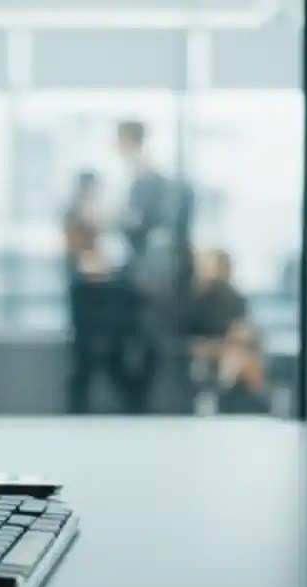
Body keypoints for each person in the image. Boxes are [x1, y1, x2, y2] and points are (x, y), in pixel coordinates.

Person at [115, 120, 195, 413]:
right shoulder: (158, 183)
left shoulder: (148, 184)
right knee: (153, 355)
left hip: (152, 288)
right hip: (161, 285)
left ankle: (150, 412)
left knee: (151, 353)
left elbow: (140, 230)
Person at [64, 171, 133, 413]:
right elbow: (85, 266)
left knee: (113, 366)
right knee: (84, 369)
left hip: (105, 308)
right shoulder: (75, 225)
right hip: (87, 308)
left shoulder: (105, 231)